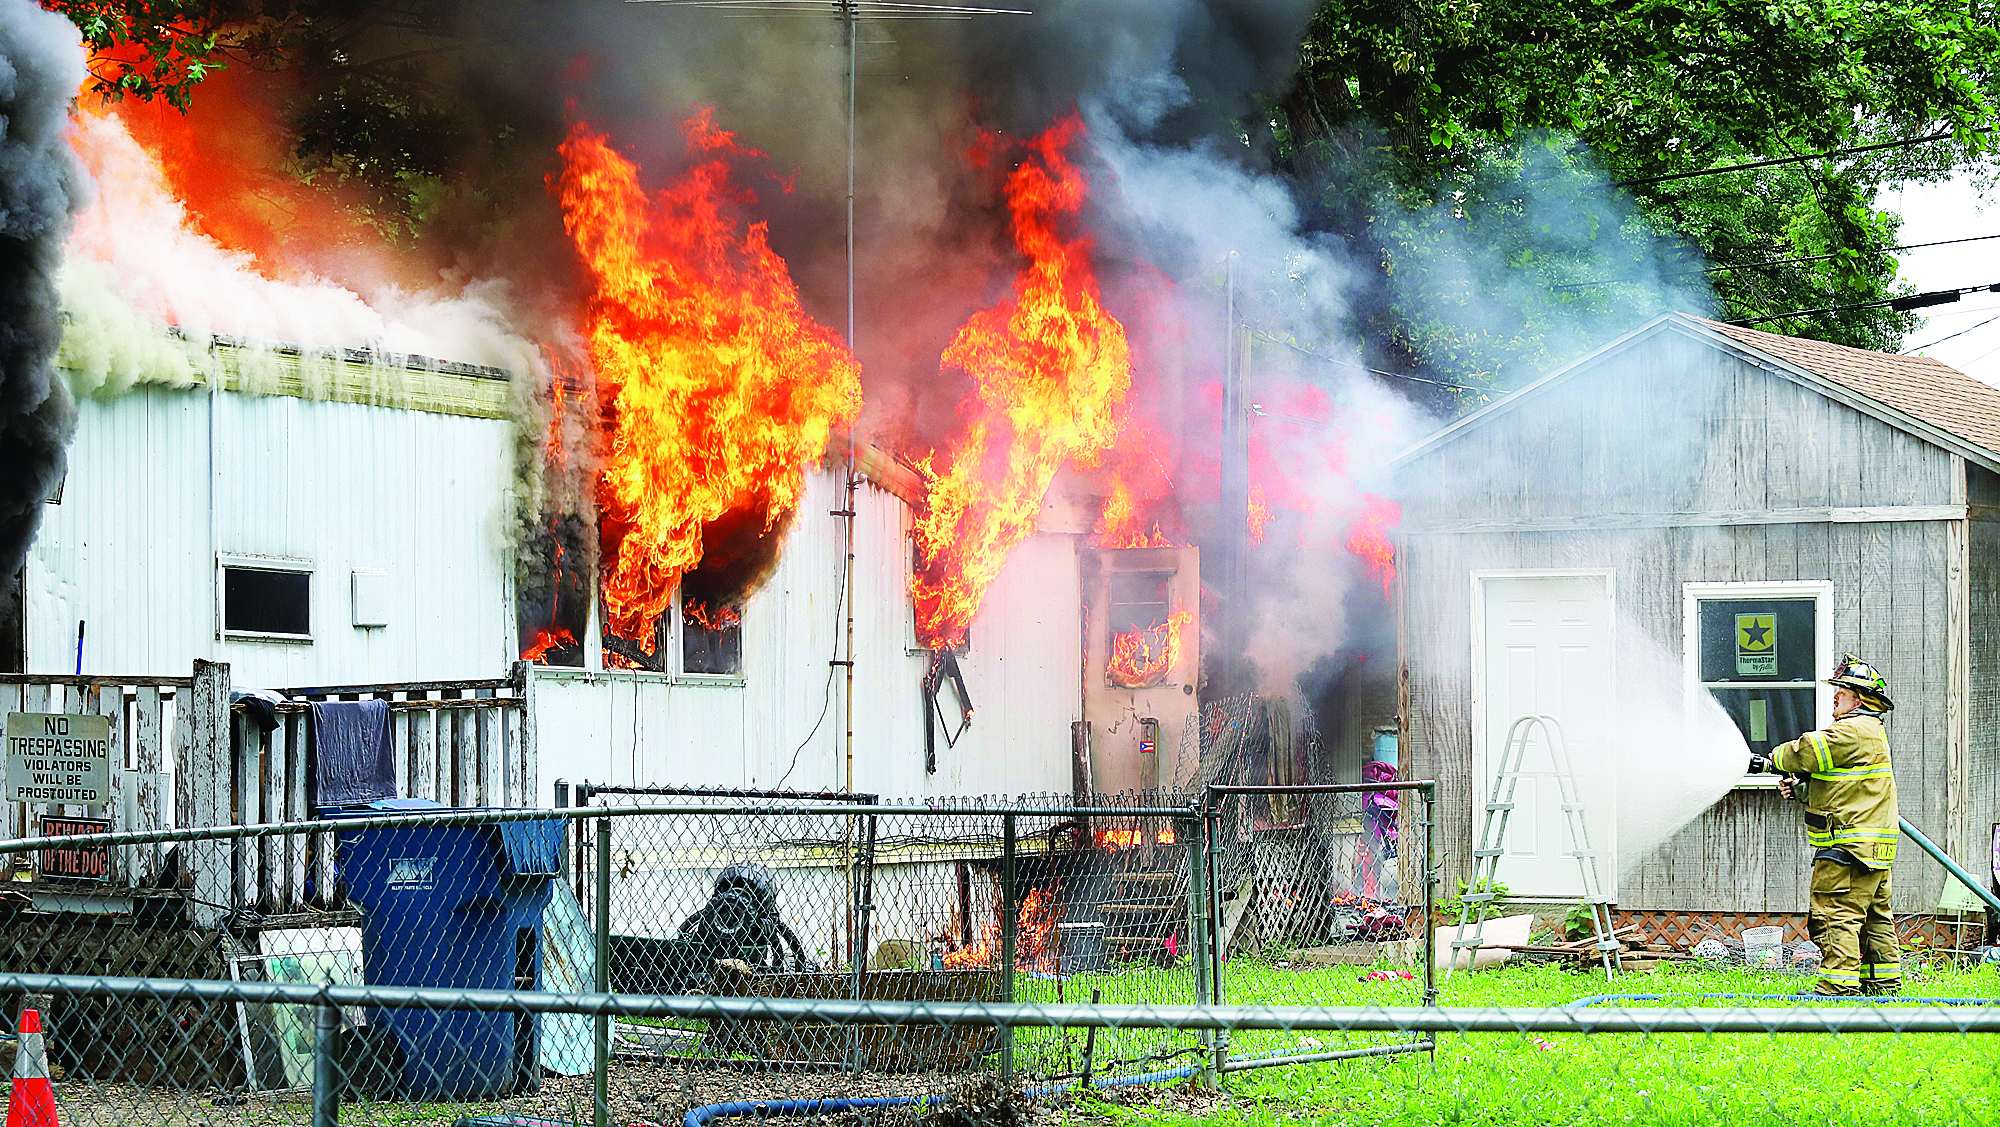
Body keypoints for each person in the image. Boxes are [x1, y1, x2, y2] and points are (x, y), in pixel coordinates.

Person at [1757, 654, 1900, 996]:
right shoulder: (1870, 733)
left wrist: (1773, 759)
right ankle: (1883, 983)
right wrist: (1805, 788)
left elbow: (1806, 752)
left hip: (1847, 848)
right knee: (1875, 917)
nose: (1835, 696)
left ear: (1861, 698)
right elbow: (1846, 786)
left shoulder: (1852, 730)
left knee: (1837, 913)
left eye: (1843, 690)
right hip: (1873, 849)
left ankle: (1837, 987)